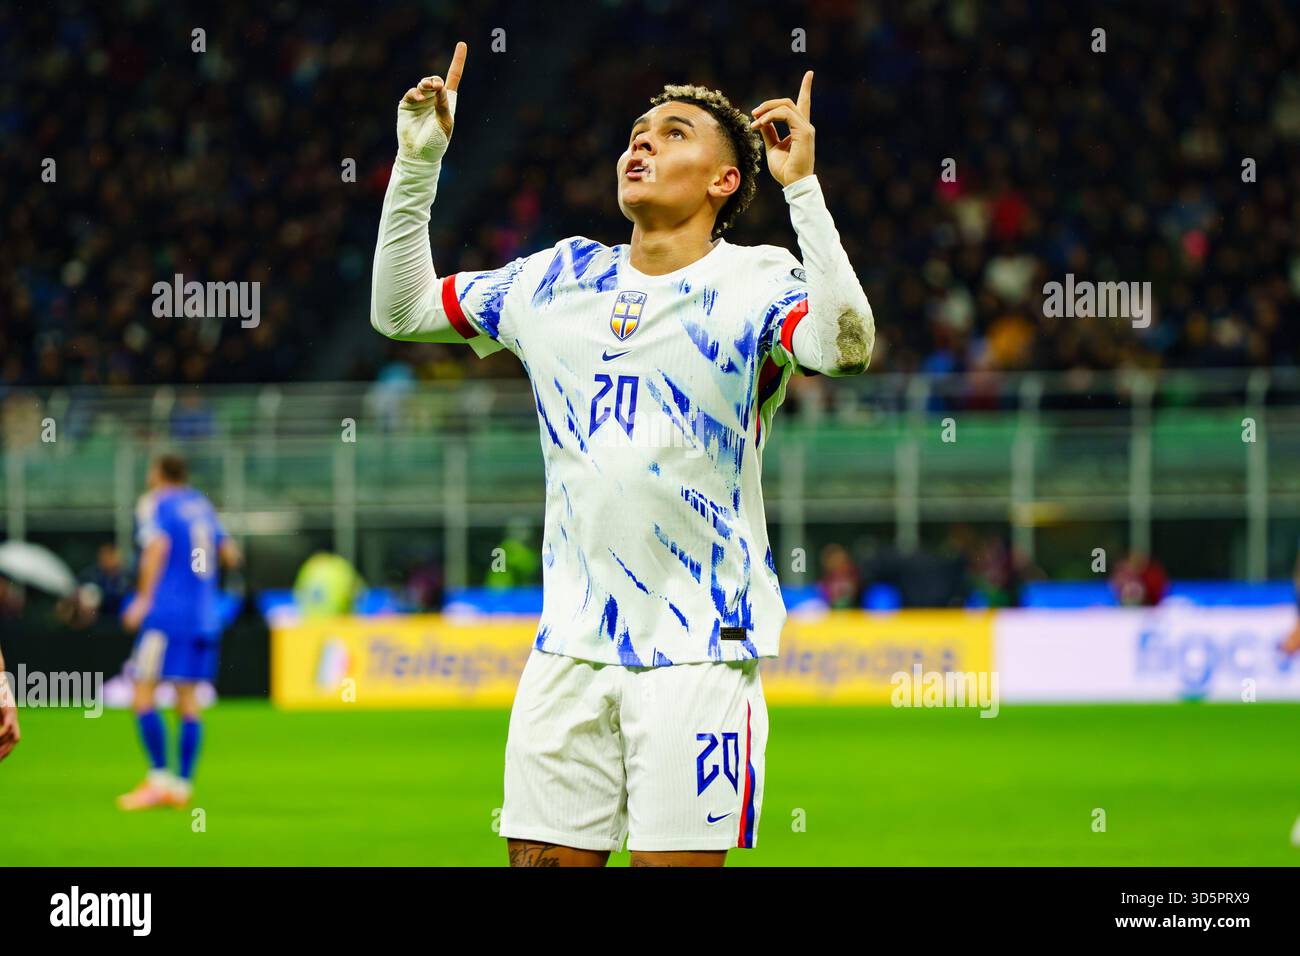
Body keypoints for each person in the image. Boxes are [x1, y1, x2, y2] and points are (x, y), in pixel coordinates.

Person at [371, 43, 874, 866]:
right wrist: (418, 160)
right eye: (638, 132)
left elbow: (846, 348)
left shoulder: (758, 281)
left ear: (725, 181)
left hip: (702, 647)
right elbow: (401, 311)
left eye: (673, 134)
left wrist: (804, 191)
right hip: (566, 648)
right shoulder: (556, 279)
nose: (642, 143)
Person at [117, 453, 241, 810]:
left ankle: (158, 779)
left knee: (142, 691)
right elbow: (231, 554)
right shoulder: (201, 505)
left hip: (168, 615)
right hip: (204, 615)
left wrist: (143, 600)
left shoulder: (156, 502)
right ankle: (182, 785)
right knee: (187, 699)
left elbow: (157, 546)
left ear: (159, 474)